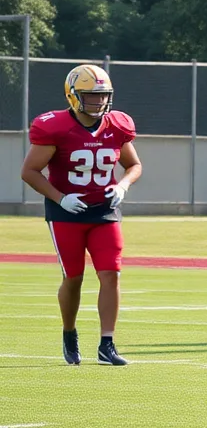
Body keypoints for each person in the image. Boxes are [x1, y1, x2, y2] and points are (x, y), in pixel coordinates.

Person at [20, 65, 142, 366]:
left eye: (102, 96)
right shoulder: (53, 126)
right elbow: (29, 172)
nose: (98, 102)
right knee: (73, 278)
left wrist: (123, 185)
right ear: (73, 95)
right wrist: (61, 198)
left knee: (111, 274)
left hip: (105, 209)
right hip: (67, 212)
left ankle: (107, 344)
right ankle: (69, 332)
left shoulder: (117, 124)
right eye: (91, 96)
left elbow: (134, 165)